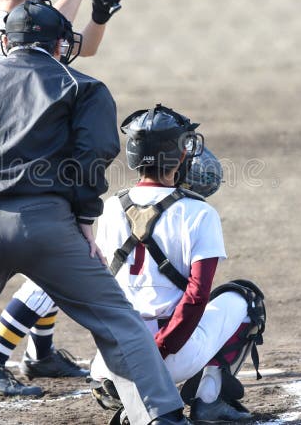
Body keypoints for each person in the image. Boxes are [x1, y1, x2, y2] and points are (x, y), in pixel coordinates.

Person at [0, 0, 190, 425]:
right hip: (48, 225)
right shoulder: (82, 86)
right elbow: (93, 152)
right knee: (116, 320)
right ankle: (160, 416)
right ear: (60, 45)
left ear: (5, 42)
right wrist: (84, 216)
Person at [0, 0, 123, 396]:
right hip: (12, 171)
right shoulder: (4, 31)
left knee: (44, 265)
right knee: (61, 255)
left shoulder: (17, 25)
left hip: (13, 161)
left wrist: (100, 13)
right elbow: (47, 27)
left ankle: (41, 353)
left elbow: (79, 47)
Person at [88, 105, 266, 424]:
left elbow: (97, 287)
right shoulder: (199, 213)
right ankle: (209, 399)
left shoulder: (110, 208)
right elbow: (197, 296)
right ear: (179, 157)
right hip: (170, 355)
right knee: (245, 299)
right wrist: (158, 351)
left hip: (113, 358)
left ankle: (126, 393)